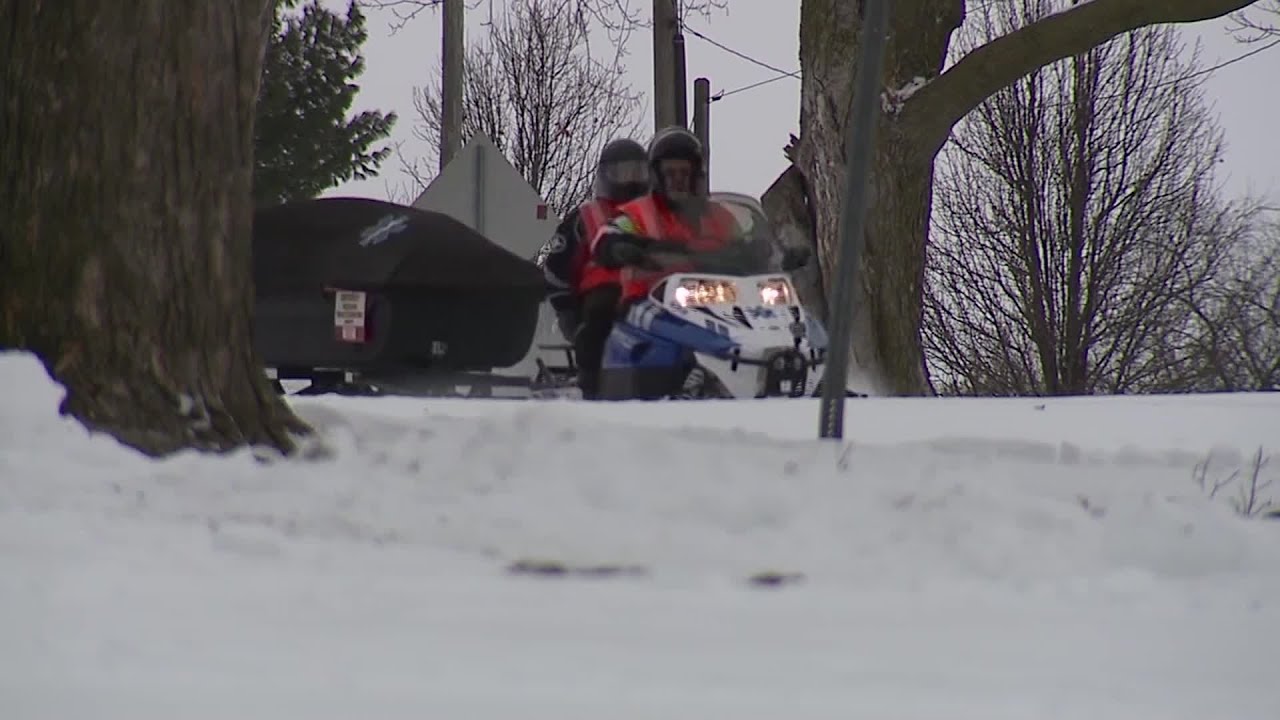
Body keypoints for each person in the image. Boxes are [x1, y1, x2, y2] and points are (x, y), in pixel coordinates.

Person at [534, 137, 648, 398]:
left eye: (637, 172)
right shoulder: (585, 217)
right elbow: (556, 267)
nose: (630, 180)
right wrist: (568, 312)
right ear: (606, 176)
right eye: (622, 173)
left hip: (652, 293)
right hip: (602, 300)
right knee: (601, 317)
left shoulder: (655, 213)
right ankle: (593, 384)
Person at [590, 126, 742, 309]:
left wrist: (765, 251)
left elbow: (745, 240)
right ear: (657, 176)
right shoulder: (638, 212)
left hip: (718, 300)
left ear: (695, 175)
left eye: (684, 173)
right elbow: (608, 233)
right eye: (670, 173)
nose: (678, 180)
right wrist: (616, 245)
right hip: (649, 300)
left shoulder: (720, 215)